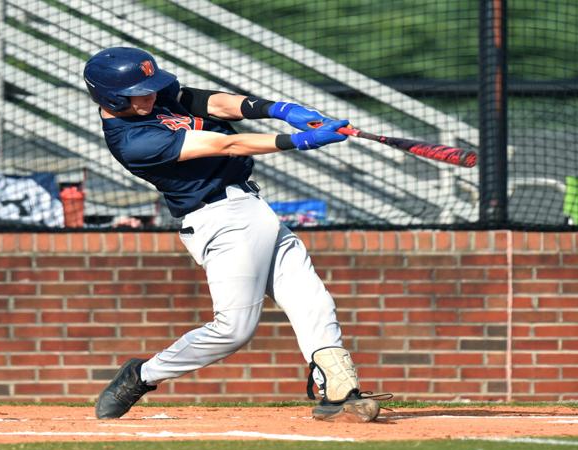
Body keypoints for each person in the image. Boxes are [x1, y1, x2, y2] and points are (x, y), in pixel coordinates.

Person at [81, 46, 389, 423]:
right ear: (111, 96)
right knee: (233, 330)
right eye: (139, 92)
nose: (150, 95)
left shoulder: (151, 98)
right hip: (220, 220)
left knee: (312, 299)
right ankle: (142, 375)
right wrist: (296, 141)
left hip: (252, 207)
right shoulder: (134, 141)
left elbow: (210, 103)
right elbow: (227, 143)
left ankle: (339, 389)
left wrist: (280, 109)